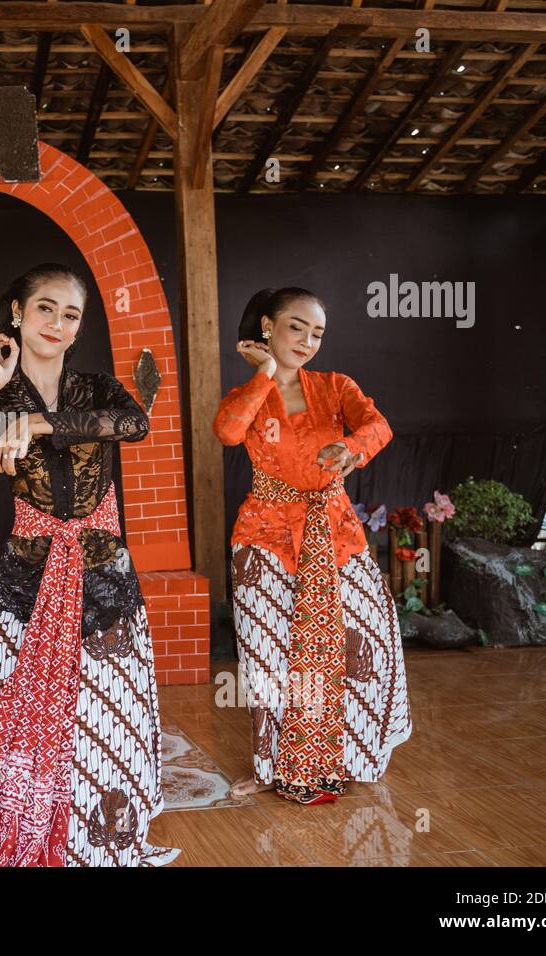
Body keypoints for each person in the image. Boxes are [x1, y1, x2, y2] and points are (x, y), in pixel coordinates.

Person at [0, 263, 178, 866]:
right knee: (2, 706)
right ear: (19, 315)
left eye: (71, 314)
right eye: (45, 308)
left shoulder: (98, 388)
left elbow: (135, 423)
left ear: (79, 329)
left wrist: (38, 421)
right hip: (28, 570)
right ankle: (28, 830)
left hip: (102, 569)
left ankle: (99, 839)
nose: (57, 323)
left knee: (106, 708)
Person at [214, 287, 411, 806]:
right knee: (268, 658)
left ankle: (347, 756)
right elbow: (229, 432)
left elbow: (379, 426)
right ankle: (271, 767)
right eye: (295, 327)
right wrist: (263, 376)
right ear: (267, 329)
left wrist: (351, 447)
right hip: (265, 537)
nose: (306, 340)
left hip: (335, 531)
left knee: (366, 639)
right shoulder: (249, 393)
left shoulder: (334, 385)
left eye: (317, 332)